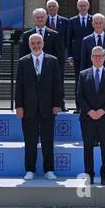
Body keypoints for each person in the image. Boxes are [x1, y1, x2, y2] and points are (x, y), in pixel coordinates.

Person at [13, 33, 64, 180]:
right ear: (29, 45)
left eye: (38, 43)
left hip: (48, 108)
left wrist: (57, 104)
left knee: (48, 140)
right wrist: (19, 106)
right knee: (30, 141)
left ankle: (49, 170)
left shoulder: (52, 61)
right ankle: (30, 169)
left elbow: (57, 84)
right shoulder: (23, 61)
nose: (36, 46)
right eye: (33, 43)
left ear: (43, 44)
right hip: (28, 108)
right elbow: (19, 86)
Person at [76, 45, 105, 185]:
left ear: (104, 57)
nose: (98, 58)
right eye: (95, 56)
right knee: (88, 148)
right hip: (87, 118)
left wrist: (101, 111)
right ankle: (89, 175)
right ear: (91, 57)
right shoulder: (83, 74)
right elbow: (79, 96)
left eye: (100, 56)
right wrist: (90, 111)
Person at [63, 0, 94, 80]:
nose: (83, 7)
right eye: (81, 6)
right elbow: (69, 40)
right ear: (77, 7)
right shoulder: (72, 21)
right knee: (79, 78)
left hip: (92, 55)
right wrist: (70, 56)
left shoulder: (94, 20)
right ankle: (78, 93)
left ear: (88, 6)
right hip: (77, 55)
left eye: (84, 5)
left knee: (91, 78)